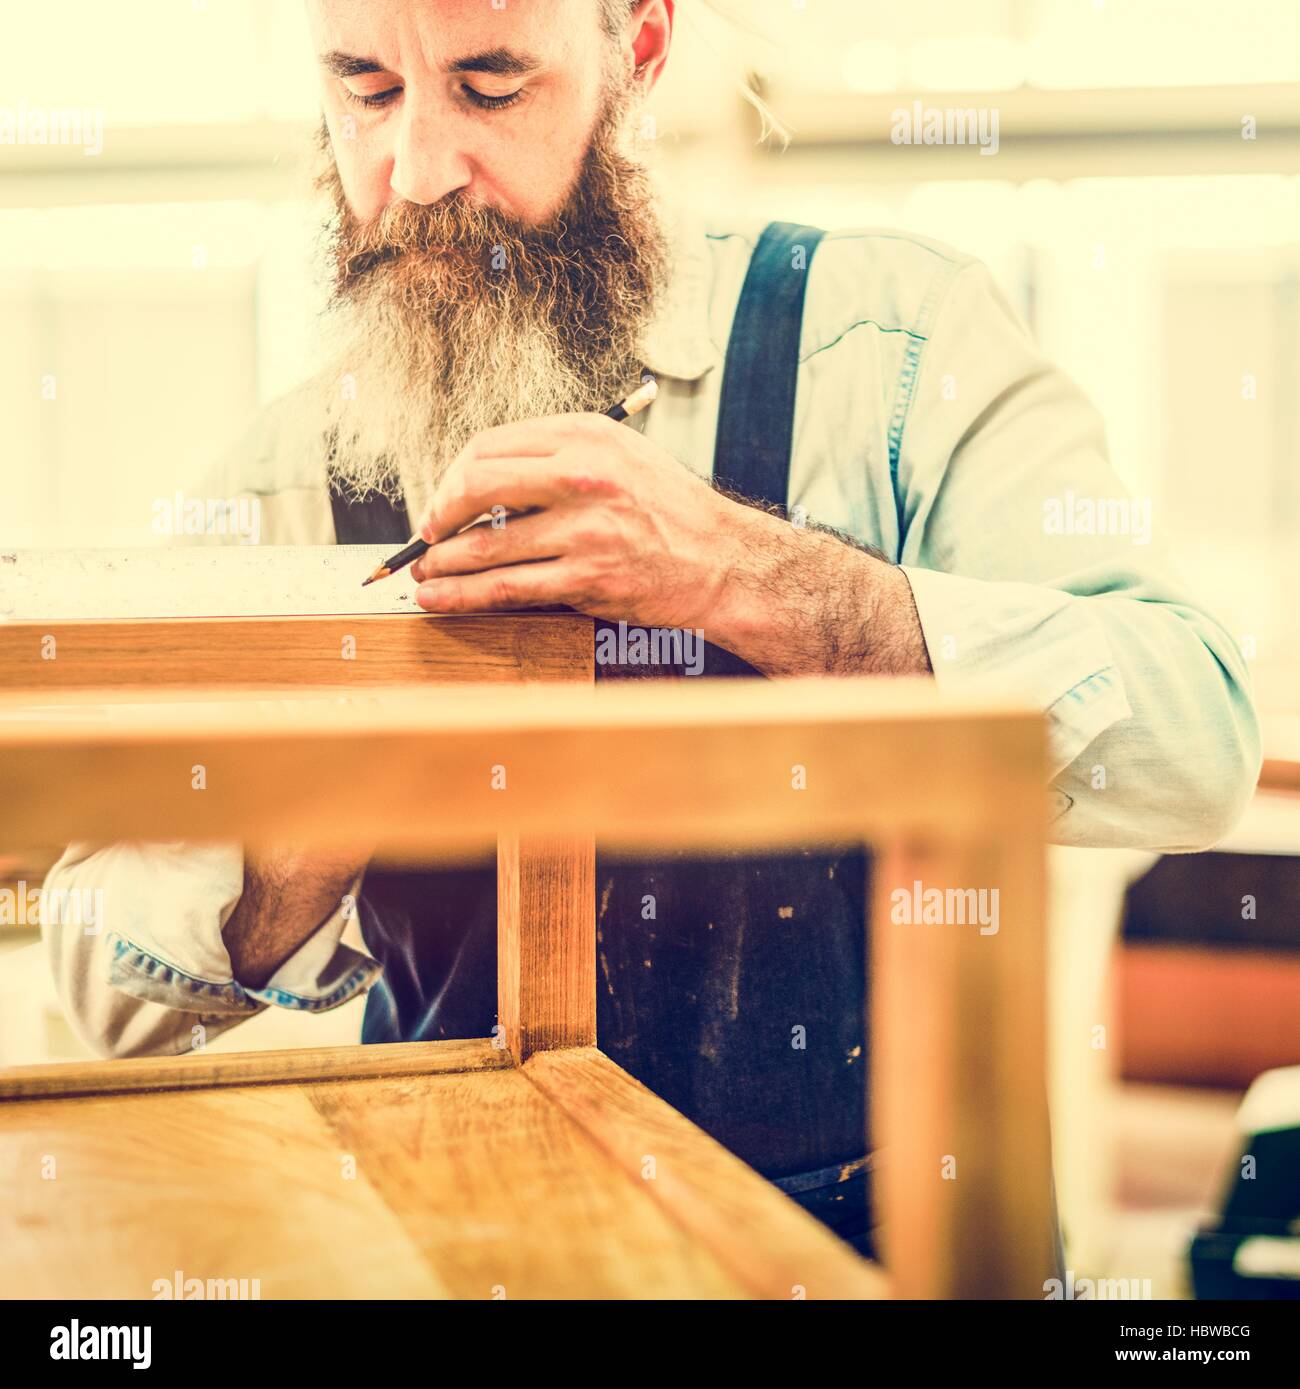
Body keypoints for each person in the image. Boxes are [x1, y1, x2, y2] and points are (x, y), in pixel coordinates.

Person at [44, 0, 1259, 1258]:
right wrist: (317, 822)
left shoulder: (893, 347)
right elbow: (99, 991)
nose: (411, 174)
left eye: (491, 85)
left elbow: (1197, 736)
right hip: (447, 1252)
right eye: (364, 87)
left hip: (876, 1251)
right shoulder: (291, 475)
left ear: (641, 48)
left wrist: (749, 574)